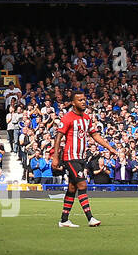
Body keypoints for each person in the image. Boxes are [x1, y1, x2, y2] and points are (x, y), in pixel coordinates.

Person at [49, 91, 122, 228]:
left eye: (84, 99)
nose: (83, 102)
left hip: (81, 158)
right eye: (80, 100)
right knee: (82, 185)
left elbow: (95, 135)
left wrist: (109, 148)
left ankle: (64, 220)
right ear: (73, 103)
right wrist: (55, 157)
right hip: (70, 157)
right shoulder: (67, 118)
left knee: (72, 188)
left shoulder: (87, 118)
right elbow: (58, 137)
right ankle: (90, 218)